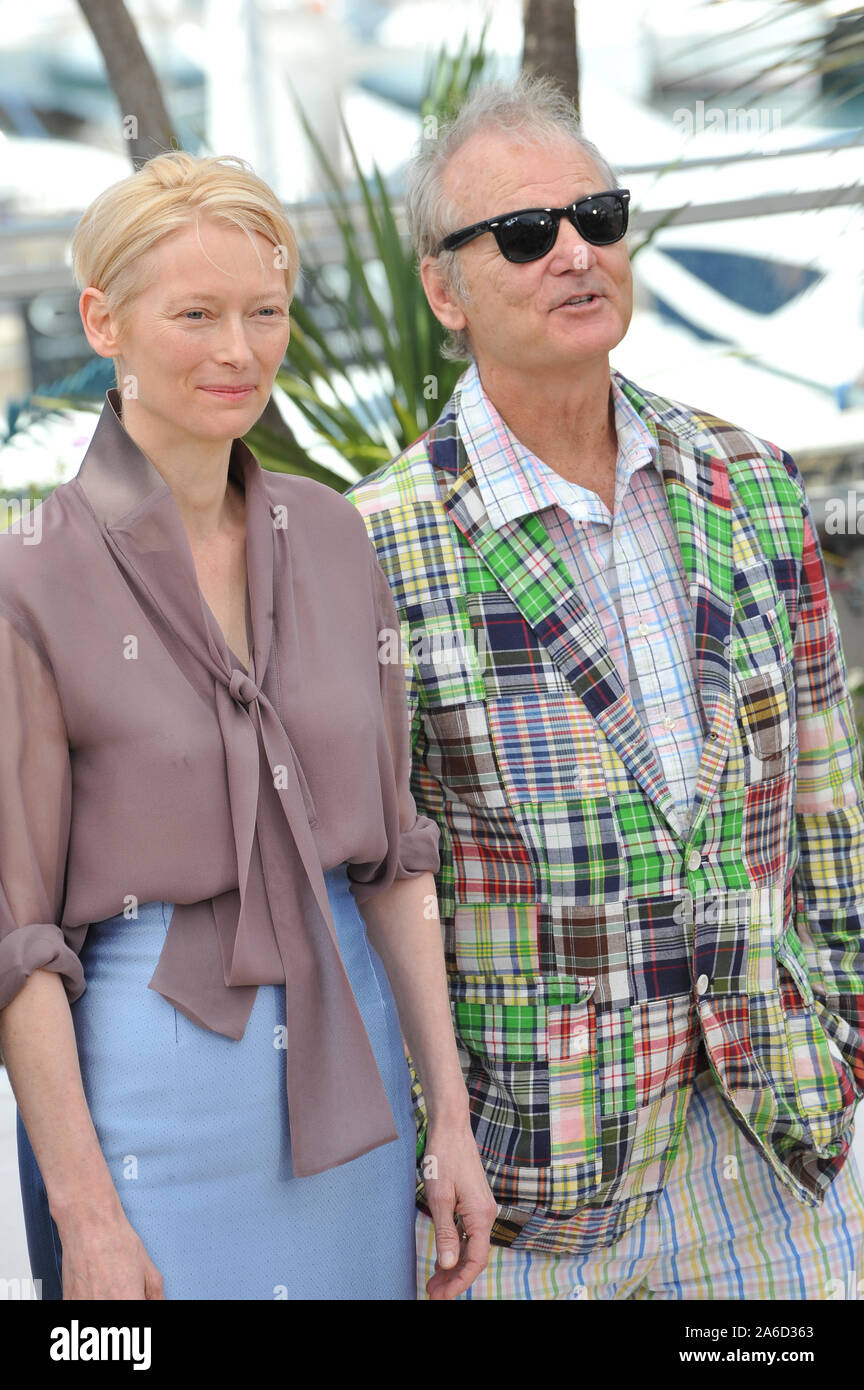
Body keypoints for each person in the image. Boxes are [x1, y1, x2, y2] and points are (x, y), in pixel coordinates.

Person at [346, 75, 864, 1299]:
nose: (575, 252)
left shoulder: (750, 478)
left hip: (782, 1156)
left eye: (600, 216)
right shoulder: (372, 545)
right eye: (526, 234)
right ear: (445, 290)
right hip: (543, 1198)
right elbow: (378, 881)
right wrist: (442, 1136)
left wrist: (846, 1036)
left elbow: (829, 800)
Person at [0, 151, 496, 1302]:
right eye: (197, 315)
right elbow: (15, 937)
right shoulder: (28, 579)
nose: (240, 351)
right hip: (151, 1093)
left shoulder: (333, 535)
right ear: (102, 321)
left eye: (265, 313)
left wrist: (452, 1127)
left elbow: (392, 858)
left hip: (355, 1061)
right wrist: (86, 1218)